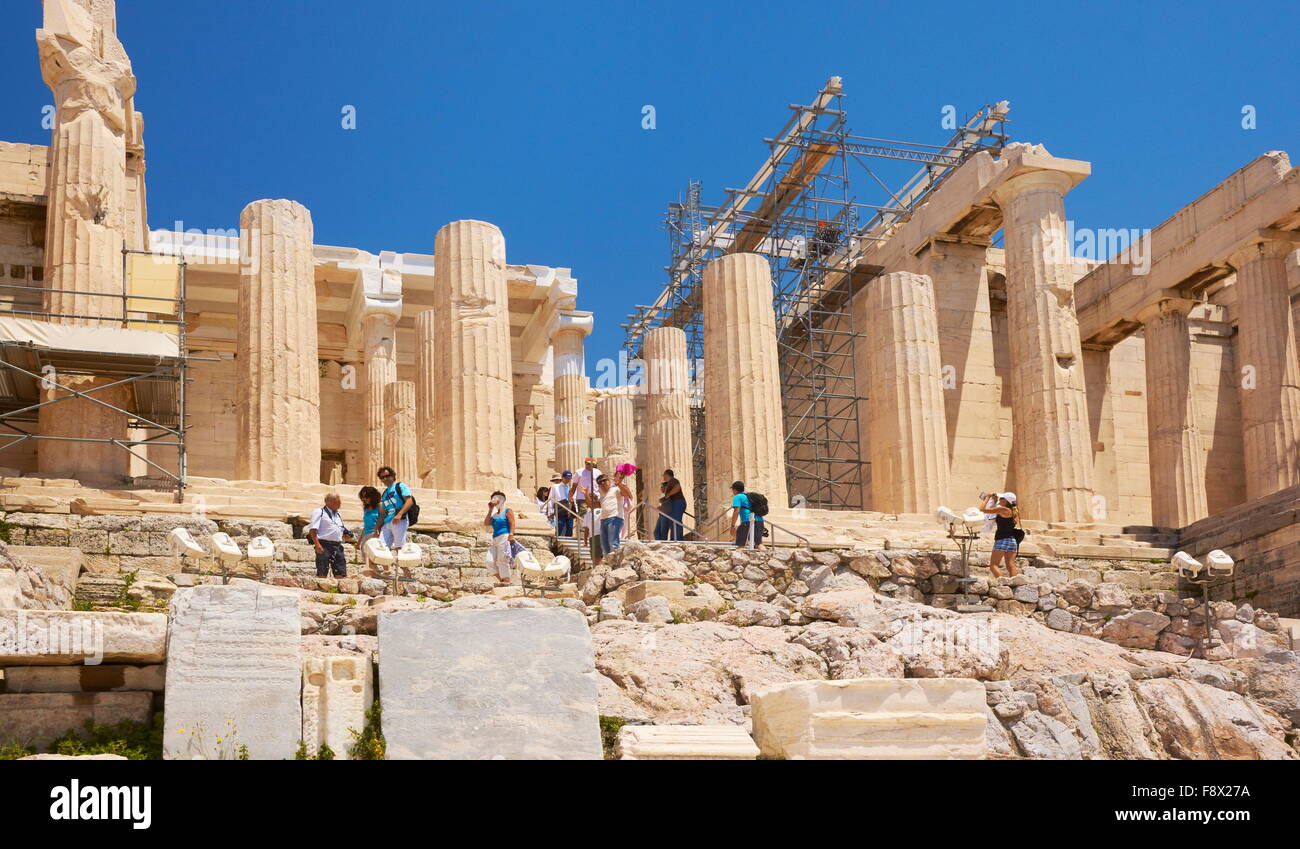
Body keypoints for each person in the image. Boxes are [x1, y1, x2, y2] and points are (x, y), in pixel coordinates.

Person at [306, 492, 355, 579]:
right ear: (330, 502)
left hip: (337, 545)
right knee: (322, 569)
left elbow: (339, 528)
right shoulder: (319, 512)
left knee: (340, 569)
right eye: (338, 502)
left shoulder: (338, 514)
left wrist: (345, 535)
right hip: (324, 545)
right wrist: (317, 545)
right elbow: (313, 530)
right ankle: (322, 588)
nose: (340, 505)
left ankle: (338, 589)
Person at [979, 491, 1021, 578]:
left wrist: (988, 497)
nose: (999, 500)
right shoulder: (1014, 510)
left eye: (1001, 498)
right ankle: (1014, 586)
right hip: (1012, 541)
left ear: (1006, 501)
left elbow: (982, 509)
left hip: (1002, 540)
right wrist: (994, 501)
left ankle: (1002, 585)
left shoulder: (1003, 509)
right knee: (1011, 565)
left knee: (993, 565)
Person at [591, 472, 634, 558]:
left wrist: (619, 483)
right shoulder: (602, 495)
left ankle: (617, 561)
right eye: (599, 482)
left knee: (613, 543)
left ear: (609, 481)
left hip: (614, 518)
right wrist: (586, 495)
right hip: (604, 520)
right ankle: (610, 563)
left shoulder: (616, 489)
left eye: (604, 480)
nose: (602, 483)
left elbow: (627, 494)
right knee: (605, 545)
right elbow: (594, 506)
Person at [377, 466, 414, 550]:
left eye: (387, 476)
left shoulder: (400, 486)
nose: (385, 479)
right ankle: (386, 563)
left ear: (393, 476)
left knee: (400, 547)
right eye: (382, 477)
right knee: (381, 548)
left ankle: (402, 563)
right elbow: (383, 513)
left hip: (399, 521)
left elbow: (409, 501)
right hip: (387, 523)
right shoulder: (385, 493)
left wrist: (399, 514)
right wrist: (377, 527)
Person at [483, 491, 516, 585]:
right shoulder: (494, 515)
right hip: (495, 539)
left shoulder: (507, 510)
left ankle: (506, 581)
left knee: (502, 560)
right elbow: (486, 523)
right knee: (489, 561)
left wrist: (511, 535)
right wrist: (490, 509)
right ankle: (502, 580)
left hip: (504, 537)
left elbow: (512, 522)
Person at [728, 480, 764, 550]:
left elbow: (736, 511)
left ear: (735, 490)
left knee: (741, 545)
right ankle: (767, 558)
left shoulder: (737, 497)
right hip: (759, 521)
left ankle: (738, 560)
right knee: (758, 544)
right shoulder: (749, 496)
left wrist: (732, 526)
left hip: (747, 521)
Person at [655, 469, 688, 541]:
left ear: (667, 475)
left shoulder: (673, 480)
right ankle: (674, 539)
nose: (663, 477)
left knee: (675, 521)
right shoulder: (669, 483)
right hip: (675, 503)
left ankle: (678, 539)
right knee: (672, 521)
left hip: (678, 502)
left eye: (664, 475)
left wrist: (668, 494)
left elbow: (677, 487)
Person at [549, 470, 576, 538]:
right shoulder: (555, 487)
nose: (568, 480)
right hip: (560, 508)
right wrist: (551, 511)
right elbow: (550, 499)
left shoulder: (570, 488)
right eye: (566, 478)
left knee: (570, 527)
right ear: (562, 477)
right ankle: (559, 540)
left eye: (569, 479)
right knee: (561, 524)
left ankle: (568, 541)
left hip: (569, 508)